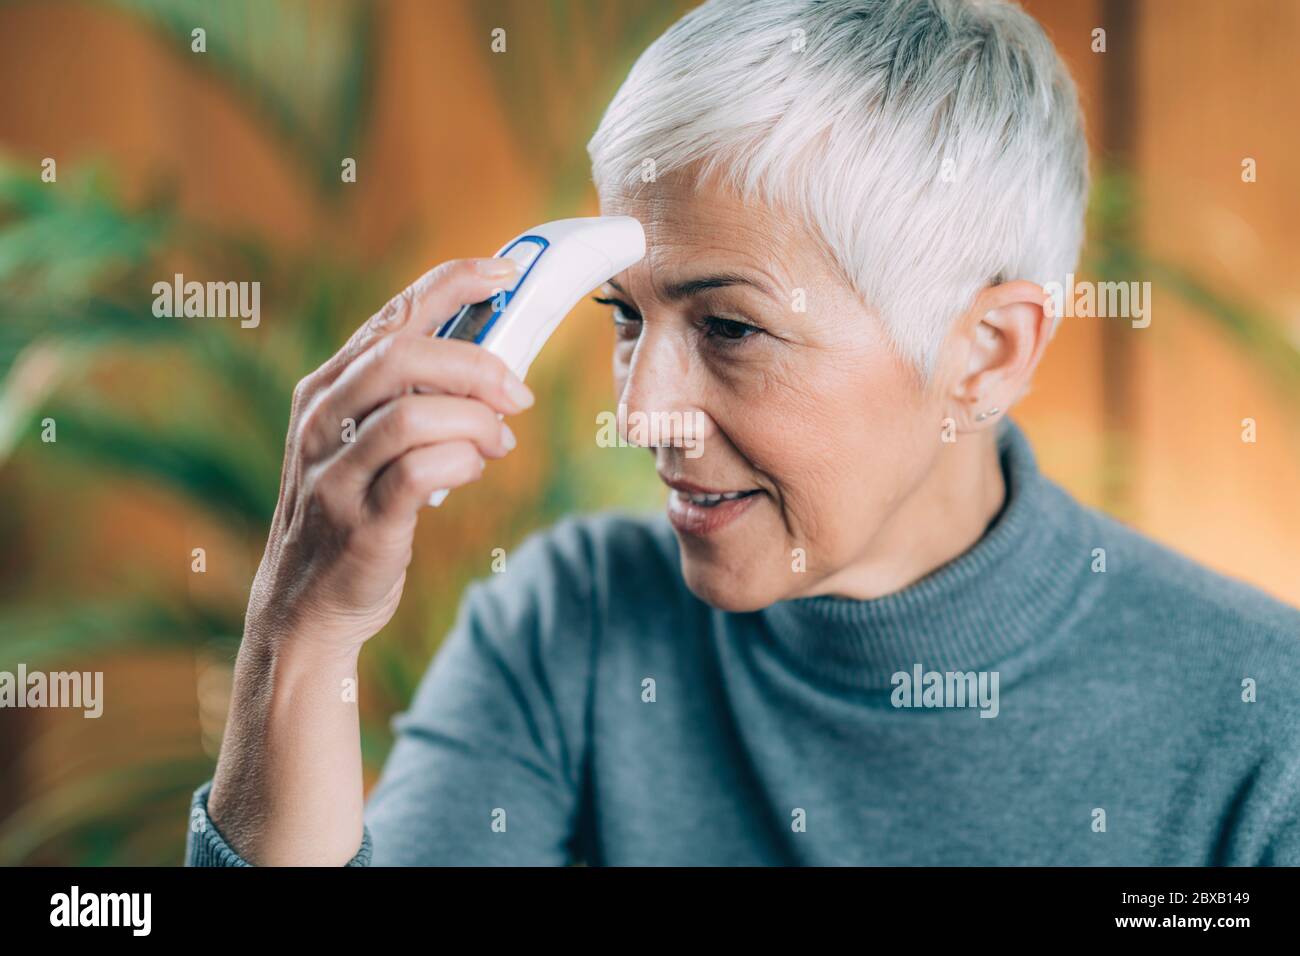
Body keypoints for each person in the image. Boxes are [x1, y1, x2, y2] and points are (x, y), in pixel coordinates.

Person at [186, 0, 1300, 866]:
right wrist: (305, 631)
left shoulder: (1262, 727)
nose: (640, 413)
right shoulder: (570, 627)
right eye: (626, 315)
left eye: (729, 325)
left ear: (989, 350)